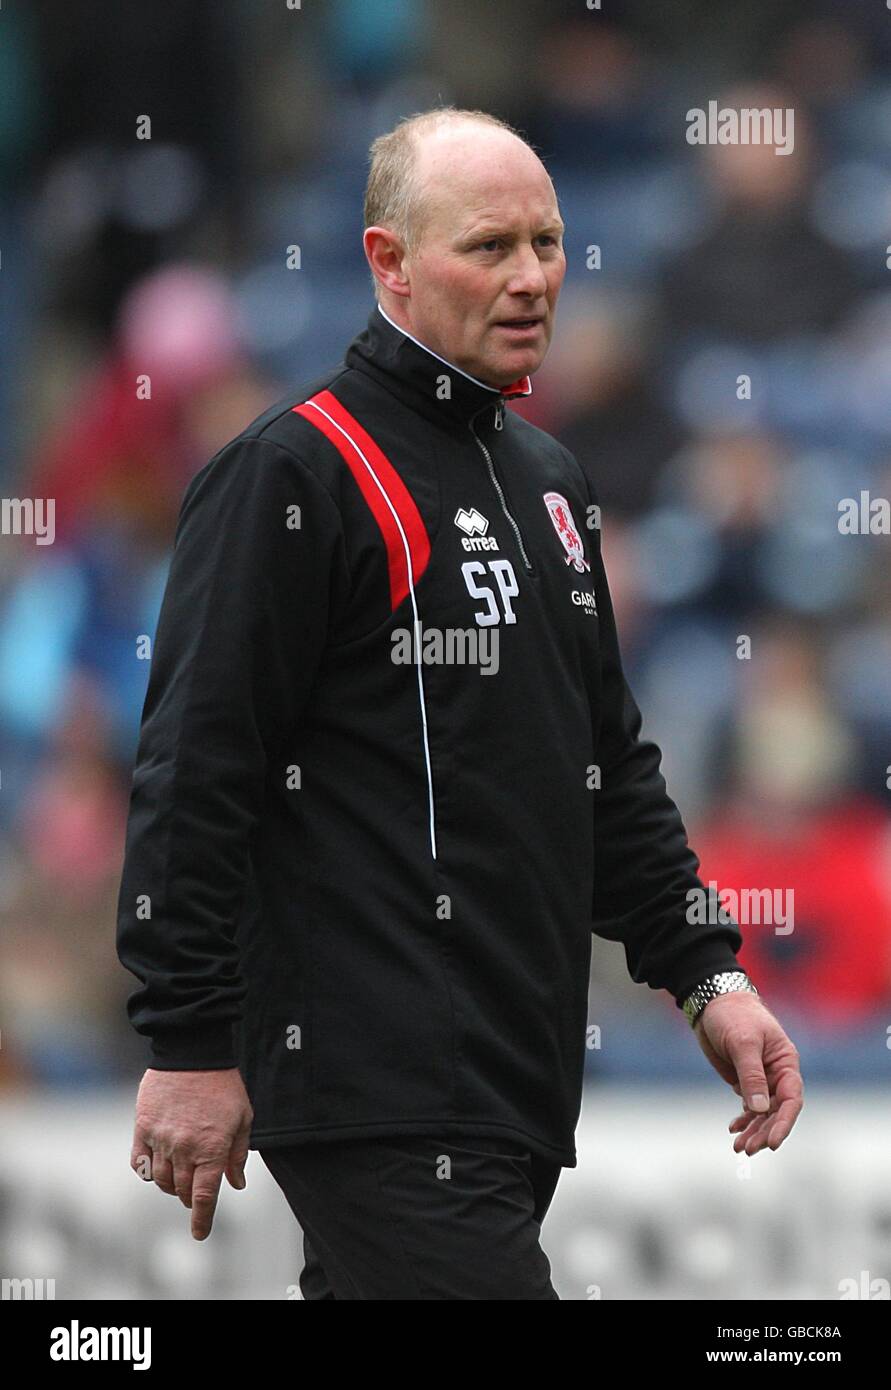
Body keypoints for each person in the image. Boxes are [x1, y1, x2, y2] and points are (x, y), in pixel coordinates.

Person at [116, 107, 804, 1300]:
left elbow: (609, 766)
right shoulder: (295, 472)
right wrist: (187, 1040)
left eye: (549, 243)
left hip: (512, 1084)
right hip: (375, 1080)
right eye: (488, 247)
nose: (533, 277)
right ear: (388, 261)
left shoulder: (551, 481)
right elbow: (196, 768)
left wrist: (707, 974)